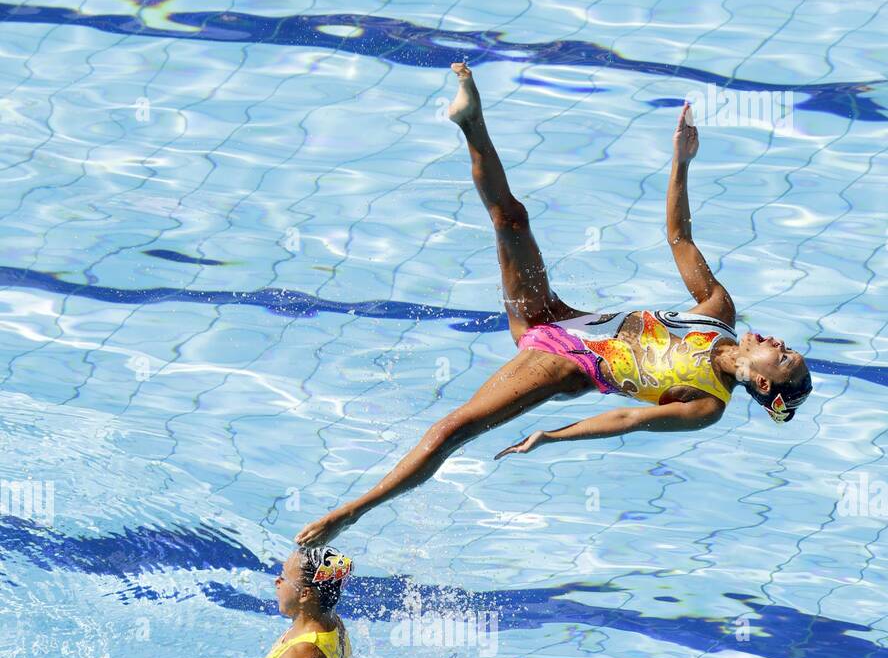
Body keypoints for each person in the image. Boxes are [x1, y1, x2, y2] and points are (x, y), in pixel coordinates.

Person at [297, 63, 812, 549]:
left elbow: (625, 421)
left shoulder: (706, 406)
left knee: (453, 430)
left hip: (559, 364)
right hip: (553, 317)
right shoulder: (717, 312)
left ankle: (352, 512)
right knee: (512, 220)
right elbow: (679, 237)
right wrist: (681, 164)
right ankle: (471, 121)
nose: (781, 344)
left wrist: (552, 435)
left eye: (784, 358)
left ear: (762, 383)